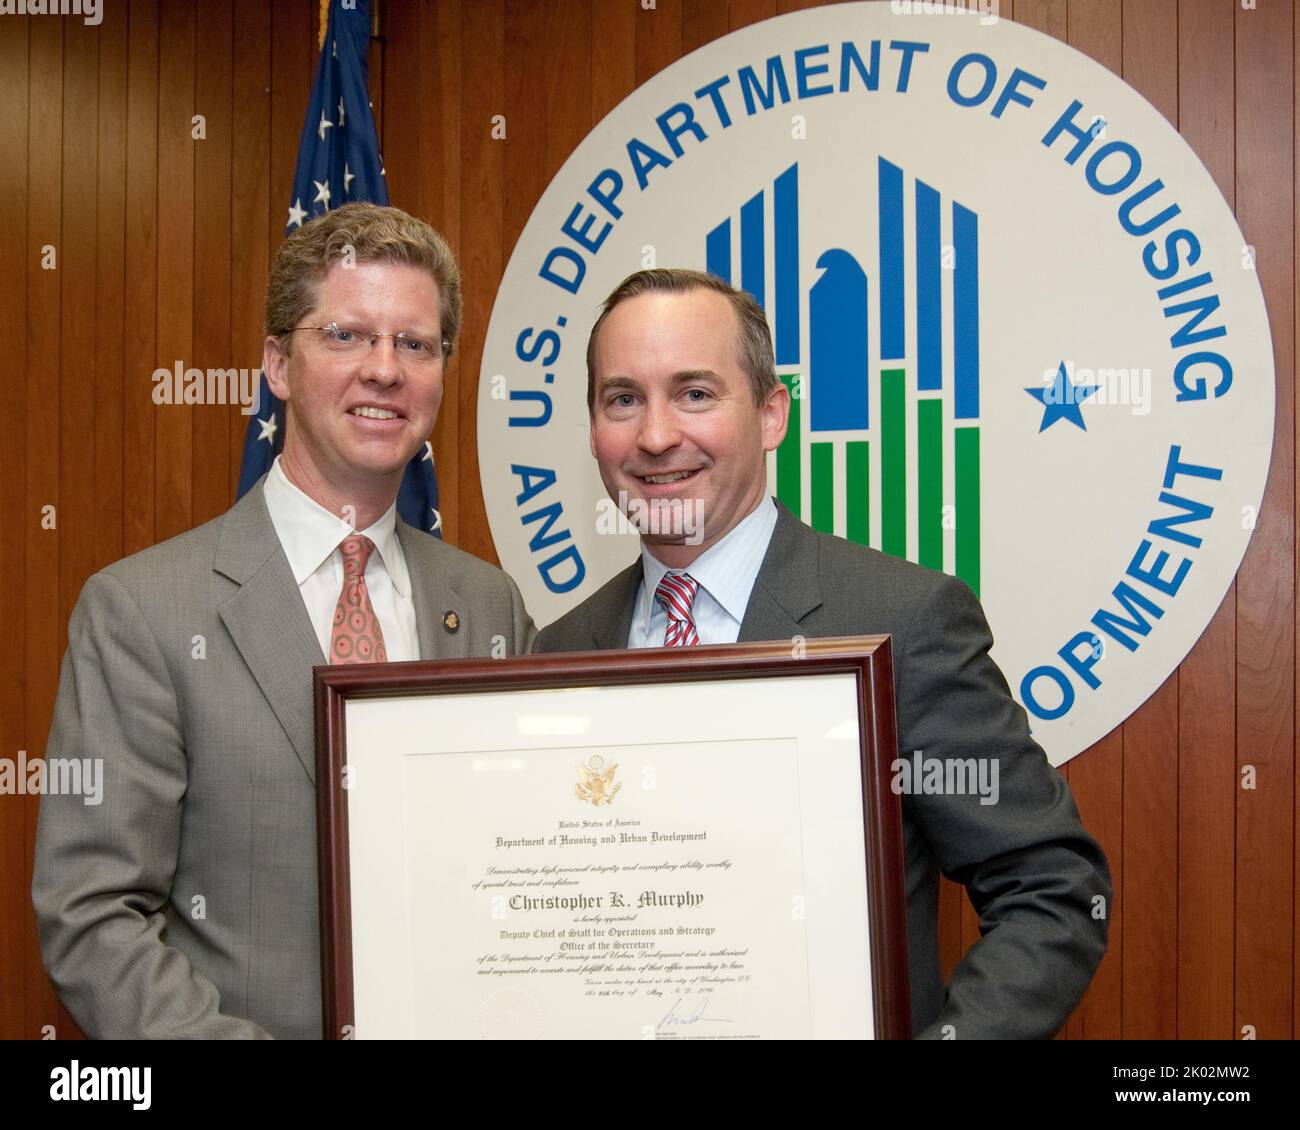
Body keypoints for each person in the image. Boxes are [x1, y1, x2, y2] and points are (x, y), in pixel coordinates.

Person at [533, 268, 1111, 1039]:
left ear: (772, 413)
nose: (657, 435)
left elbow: (1052, 887)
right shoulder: (556, 653)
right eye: (623, 399)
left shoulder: (901, 621)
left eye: (695, 393)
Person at [32, 203, 535, 1039]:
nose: (385, 369)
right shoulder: (142, 612)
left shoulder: (490, 605)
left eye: (416, 344)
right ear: (278, 365)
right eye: (346, 336)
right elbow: (93, 917)